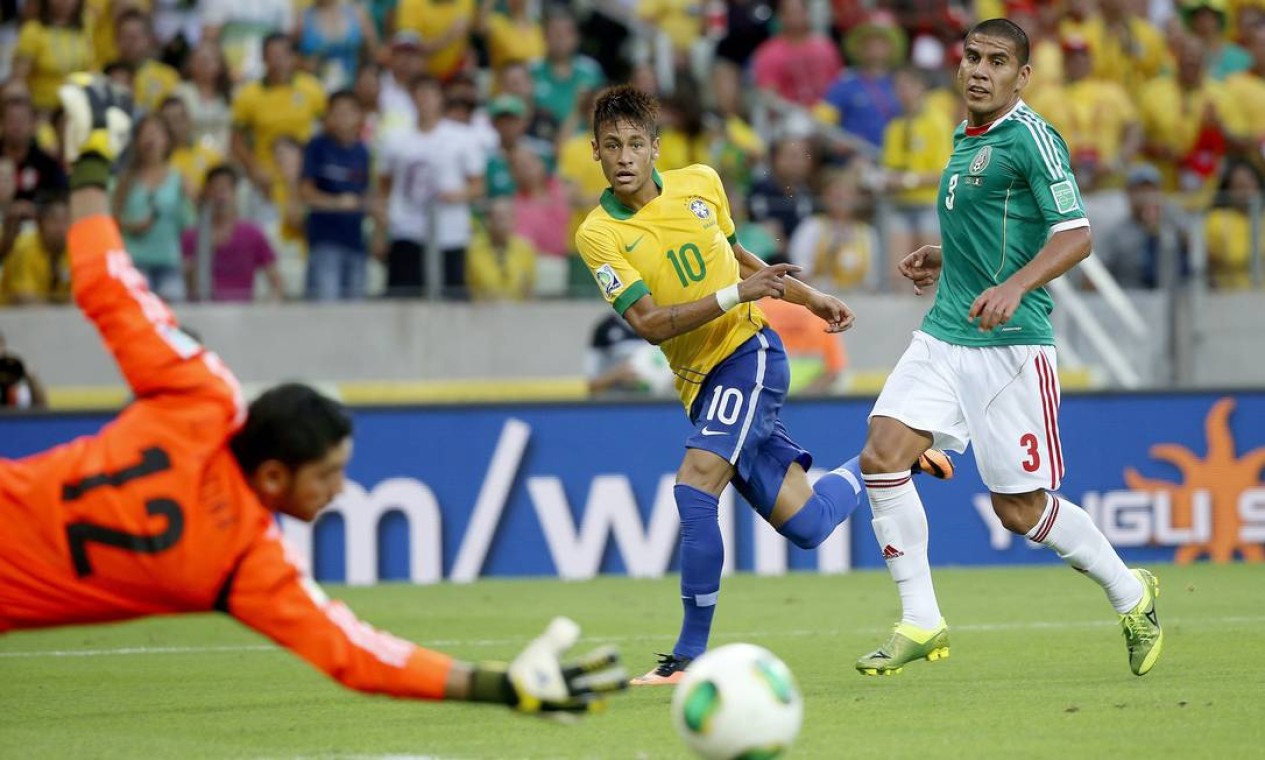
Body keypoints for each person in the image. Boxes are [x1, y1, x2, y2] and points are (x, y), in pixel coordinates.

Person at [0, 74, 627, 717]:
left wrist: (94, 157)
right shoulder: (241, 559)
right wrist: (498, 685)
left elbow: (103, 280)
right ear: (273, 476)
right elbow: (353, 654)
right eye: (327, 475)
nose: (339, 492)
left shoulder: (199, 393)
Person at [574, 84, 953, 685]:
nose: (624, 156)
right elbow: (647, 323)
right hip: (698, 379)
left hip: (747, 353)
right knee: (807, 526)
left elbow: (737, 256)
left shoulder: (701, 182)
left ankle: (687, 657)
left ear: (655, 148)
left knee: (696, 485)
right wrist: (739, 292)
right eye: (612, 145)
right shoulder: (598, 234)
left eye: (635, 144)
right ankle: (898, 455)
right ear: (594, 150)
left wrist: (809, 298)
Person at [853, 19, 1163, 679]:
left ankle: (1130, 593)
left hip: (1008, 346)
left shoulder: (1031, 137)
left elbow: (1074, 234)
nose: (978, 70)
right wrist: (948, 257)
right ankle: (921, 620)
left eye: (996, 61)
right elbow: (996, 227)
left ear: (1021, 76)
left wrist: (1014, 286)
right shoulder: (965, 139)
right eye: (970, 57)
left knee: (1017, 508)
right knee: (880, 457)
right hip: (945, 330)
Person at [301, 90, 372, 301]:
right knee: (326, 305)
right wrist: (337, 203)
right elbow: (306, 192)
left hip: (356, 241)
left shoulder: (363, 152)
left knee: (356, 310)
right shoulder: (317, 147)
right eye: (337, 112)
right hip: (325, 240)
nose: (343, 118)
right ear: (328, 116)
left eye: (349, 112)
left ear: (359, 116)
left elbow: (368, 193)